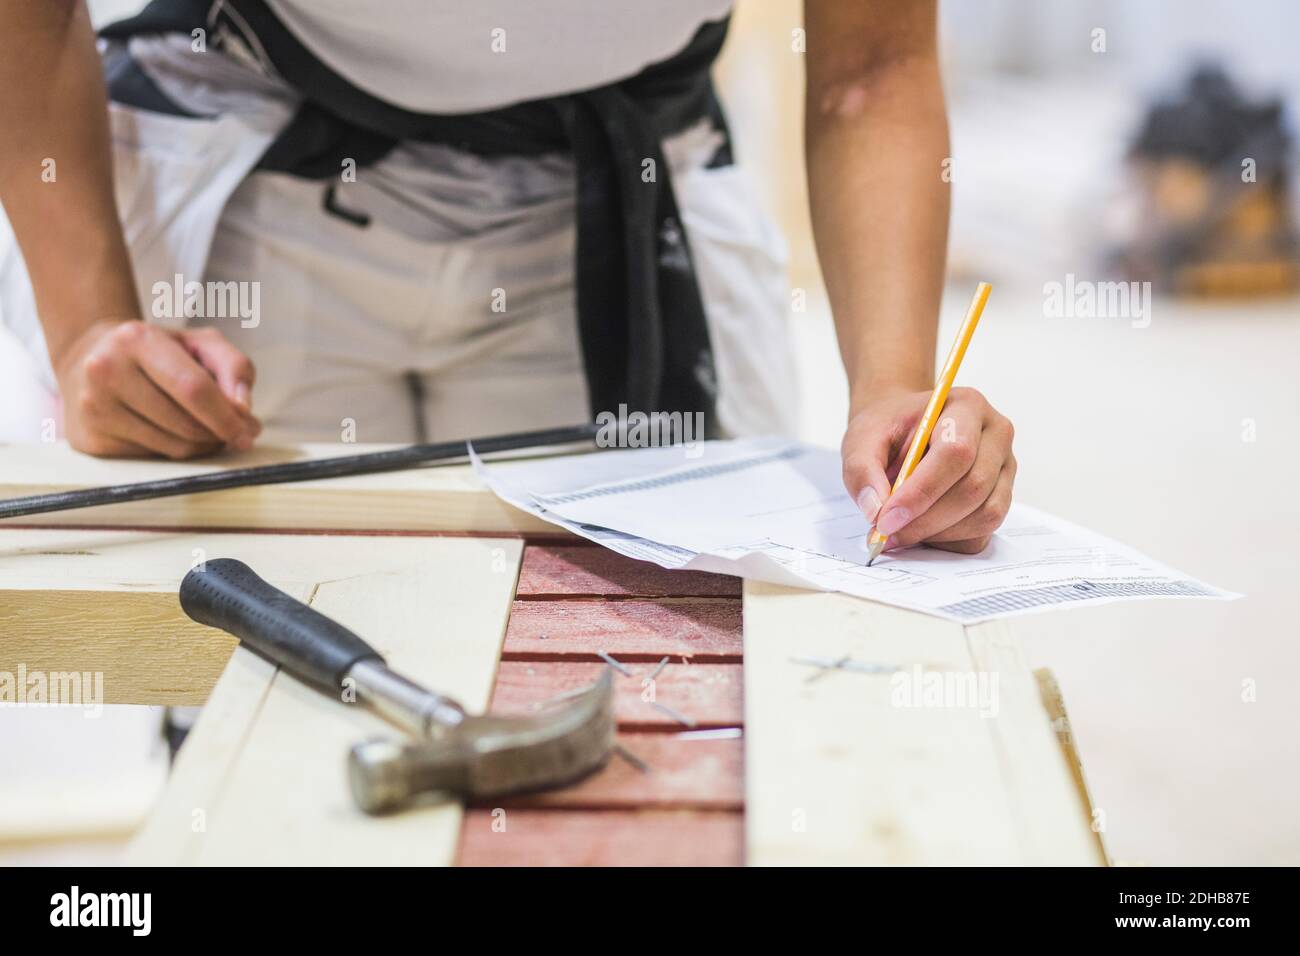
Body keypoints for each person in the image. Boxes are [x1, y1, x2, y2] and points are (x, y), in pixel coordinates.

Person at [0, 0, 1015, 555]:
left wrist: (891, 385)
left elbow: (868, 65)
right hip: (268, 153)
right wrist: (89, 326)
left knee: (640, 639)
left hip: (610, 183)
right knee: (264, 636)